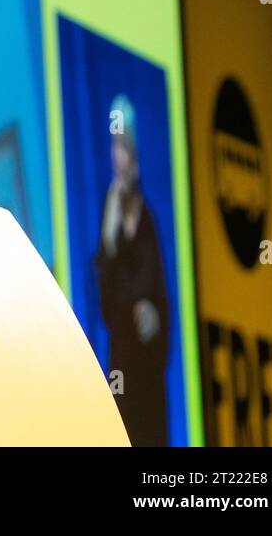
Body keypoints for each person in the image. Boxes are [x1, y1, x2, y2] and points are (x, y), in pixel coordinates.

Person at [94, 94, 169, 446]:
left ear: (135, 156)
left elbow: (158, 292)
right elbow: (106, 304)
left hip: (148, 370)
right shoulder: (109, 219)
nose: (116, 155)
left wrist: (149, 309)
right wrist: (108, 238)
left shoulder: (148, 223)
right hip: (122, 360)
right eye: (113, 146)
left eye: (122, 147)